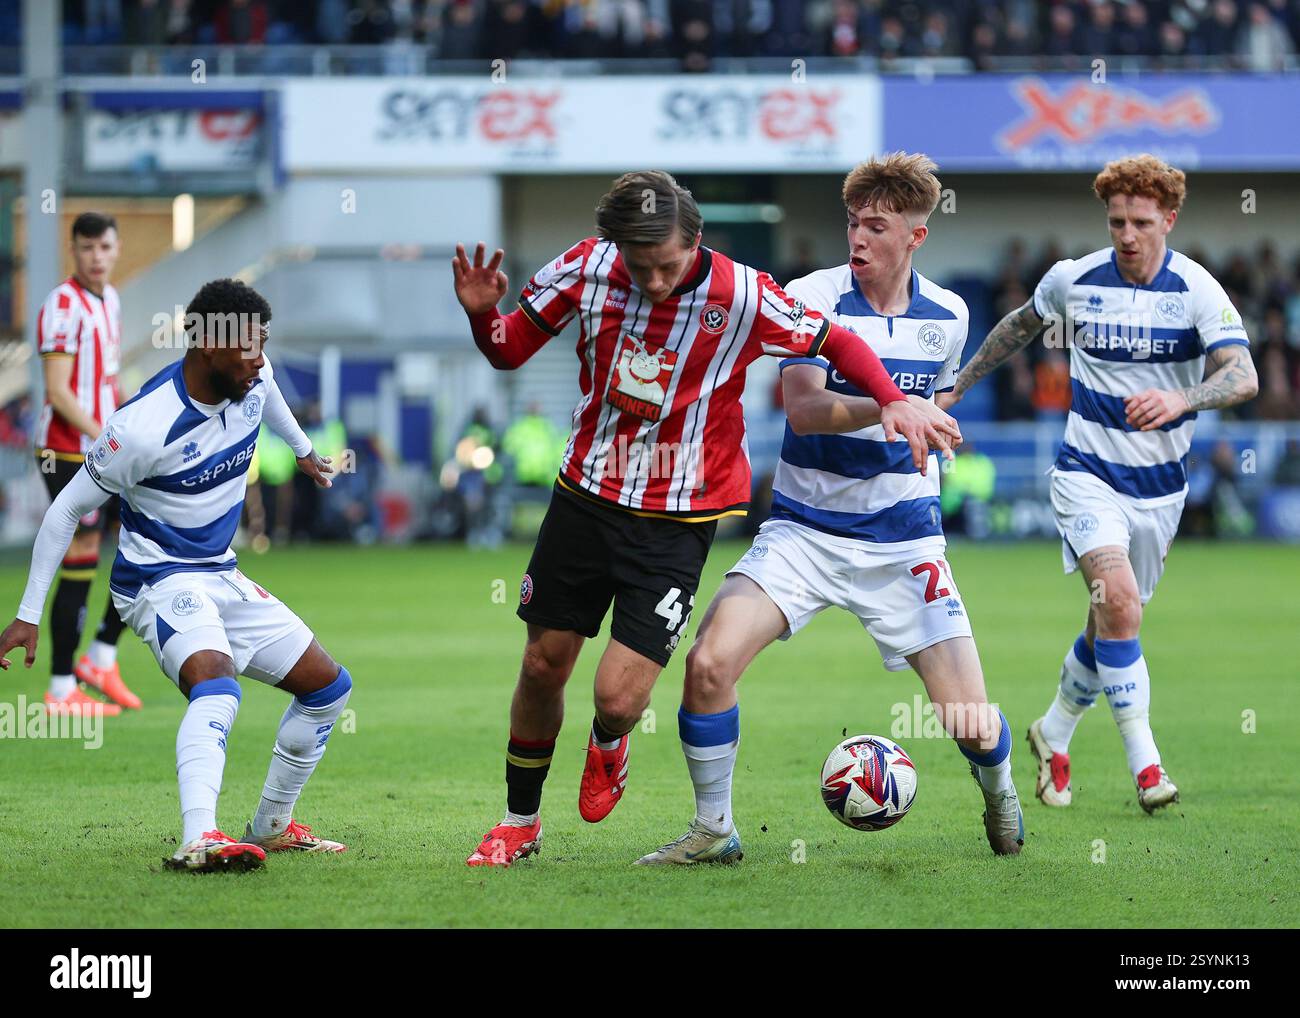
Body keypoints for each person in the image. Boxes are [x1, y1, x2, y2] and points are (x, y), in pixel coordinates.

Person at [452, 169, 958, 867]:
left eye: (667, 266)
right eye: (639, 267)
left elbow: (835, 342)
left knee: (619, 698)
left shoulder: (743, 294)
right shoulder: (585, 267)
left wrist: (890, 400)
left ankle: (610, 741)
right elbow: (507, 349)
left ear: (694, 242)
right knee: (542, 665)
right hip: (587, 497)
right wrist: (483, 315)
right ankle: (519, 821)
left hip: (678, 516)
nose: (654, 281)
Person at [637, 152, 1024, 866]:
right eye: (853, 223)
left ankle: (999, 791)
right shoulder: (812, 294)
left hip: (904, 540)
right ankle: (714, 829)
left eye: (877, 226)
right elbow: (806, 410)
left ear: (916, 237)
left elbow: (927, 410)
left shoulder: (950, 316)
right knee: (709, 663)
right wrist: (892, 405)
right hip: (803, 532)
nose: (859, 238)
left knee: (969, 720)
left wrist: (930, 424)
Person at [939, 154, 1258, 813]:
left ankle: (1053, 733)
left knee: (1110, 620)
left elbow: (1244, 375)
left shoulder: (1196, 290)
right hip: (1086, 476)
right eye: (1117, 221)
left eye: (1141, 221)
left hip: (1161, 491)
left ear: (1168, 219)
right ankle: (1147, 767)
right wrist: (957, 389)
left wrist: (1184, 400)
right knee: (1118, 598)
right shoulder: (1075, 280)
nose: (1127, 234)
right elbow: (1019, 327)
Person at [0, 279, 352, 872]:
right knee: (217, 685)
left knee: (328, 690)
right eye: (248, 346)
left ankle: (271, 825)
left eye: (263, 343)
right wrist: (27, 614)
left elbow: (271, 398)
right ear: (205, 345)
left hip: (221, 573)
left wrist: (303, 451)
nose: (260, 359)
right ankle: (200, 837)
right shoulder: (140, 425)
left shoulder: (251, 379)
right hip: (156, 581)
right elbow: (66, 511)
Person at [34, 211, 140, 715]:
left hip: (103, 445)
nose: (96, 257)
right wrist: (110, 438)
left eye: (104, 247)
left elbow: (106, 382)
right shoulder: (61, 305)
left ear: (117, 249)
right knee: (80, 560)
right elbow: (58, 392)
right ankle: (60, 689)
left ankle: (98, 658)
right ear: (73, 250)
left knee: (144, 539)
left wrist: (128, 422)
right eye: (87, 248)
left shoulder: (111, 300)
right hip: (69, 450)